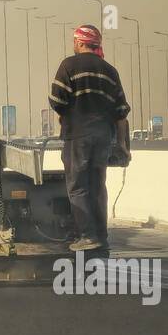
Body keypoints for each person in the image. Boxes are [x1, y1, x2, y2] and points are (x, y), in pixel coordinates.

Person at [48, 24, 130, 253]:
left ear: (79, 42)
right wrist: (122, 145)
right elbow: (121, 110)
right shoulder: (110, 71)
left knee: (78, 187)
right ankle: (101, 237)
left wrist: (67, 113)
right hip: (103, 137)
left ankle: (87, 236)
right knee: (97, 186)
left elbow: (57, 100)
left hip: (78, 135)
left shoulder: (69, 65)